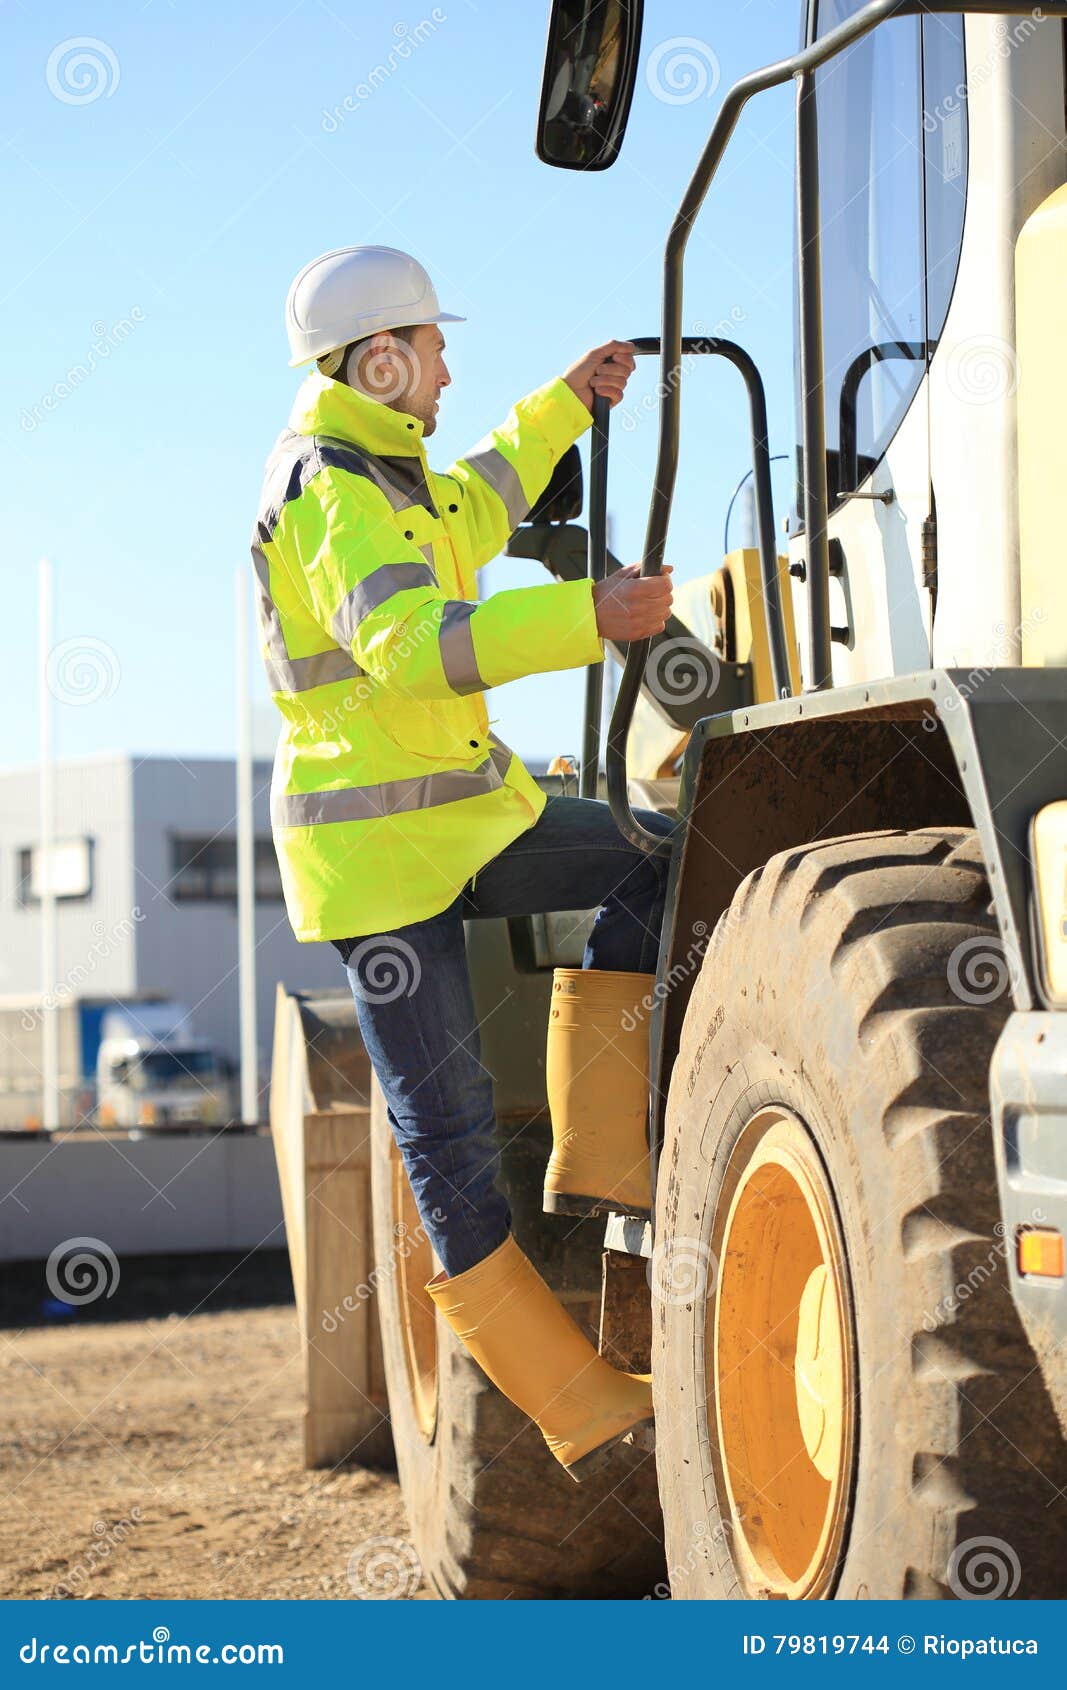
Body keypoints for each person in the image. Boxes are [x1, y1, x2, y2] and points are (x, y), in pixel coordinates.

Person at [254, 244, 676, 1481]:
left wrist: (567, 401)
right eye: (433, 349)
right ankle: (575, 1399)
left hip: (466, 820)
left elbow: (483, 496)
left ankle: (601, 1154)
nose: (445, 368)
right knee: (440, 1138)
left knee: (654, 855)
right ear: (382, 361)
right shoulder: (327, 491)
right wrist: (580, 620)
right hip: (376, 859)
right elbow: (404, 645)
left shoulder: (397, 477)